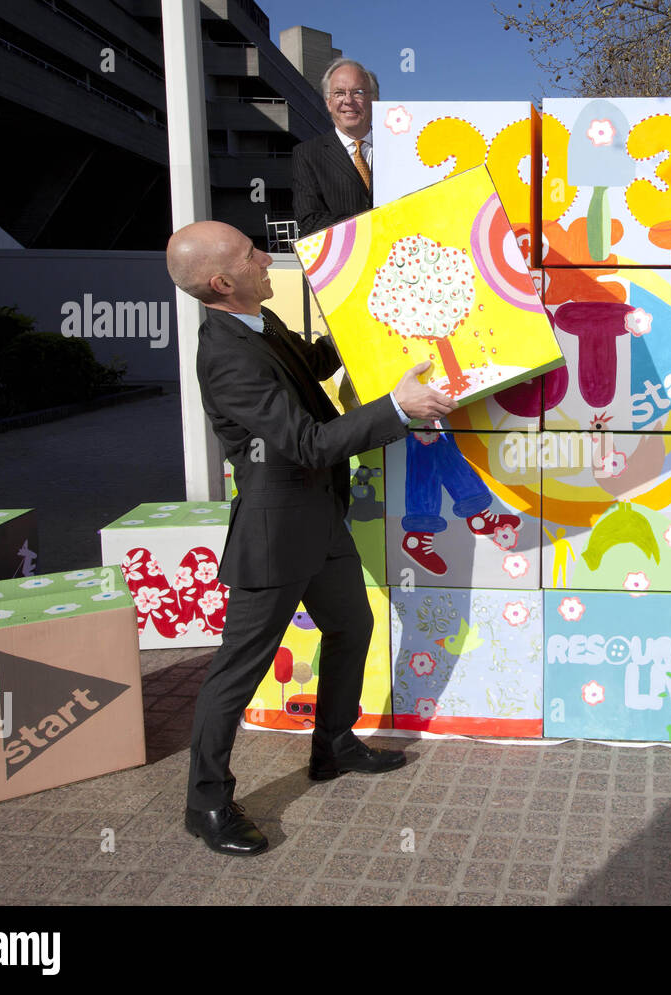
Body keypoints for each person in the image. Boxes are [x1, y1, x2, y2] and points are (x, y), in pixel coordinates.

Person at [165, 220, 455, 856]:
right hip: (275, 534)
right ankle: (206, 802)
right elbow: (307, 443)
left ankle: (333, 746)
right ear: (222, 283)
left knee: (352, 627)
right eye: (249, 254)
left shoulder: (259, 323)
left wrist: (376, 316)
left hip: (321, 517)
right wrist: (399, 409)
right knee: (235, 673)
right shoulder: (225, 355)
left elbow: (314, 360)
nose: (264, 256)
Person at [292, 58, 377, 236]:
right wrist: (373, 226)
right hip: (347, 259)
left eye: (358, 92)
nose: (348, 101)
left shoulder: (397, 147)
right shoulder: (308, 154)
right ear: (328, 103)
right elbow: (309, 221)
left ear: (373, 100)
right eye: (339, 93)